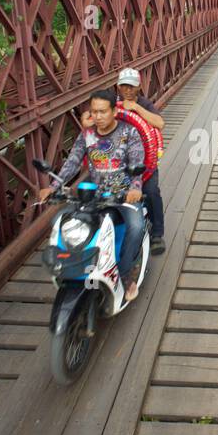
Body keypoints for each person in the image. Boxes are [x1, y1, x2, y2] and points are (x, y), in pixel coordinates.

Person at [39, 89, 148, 299]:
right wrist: (54, 186)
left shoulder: (130, 133)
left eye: (103, 112)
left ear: (114, 111)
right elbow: (73, 161)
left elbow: (137, 162)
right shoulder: (87, 135)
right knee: (60, 221)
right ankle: (74, 268)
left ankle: (126, 275)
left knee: (135, 227)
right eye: (94, 112)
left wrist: (135, 188)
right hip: (94, 194)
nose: (98, 117)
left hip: (123, 194)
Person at [114, 68, 167, 256]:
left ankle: (157, 234)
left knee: (152, 191)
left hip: (145, 160)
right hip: (117, 158)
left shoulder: (144, 103)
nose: (128, 90)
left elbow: (159, 123)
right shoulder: (112, 104)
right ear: (118, 87)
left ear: (138, 88)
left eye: (132, 87)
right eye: (124, 86)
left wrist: (136, 108)